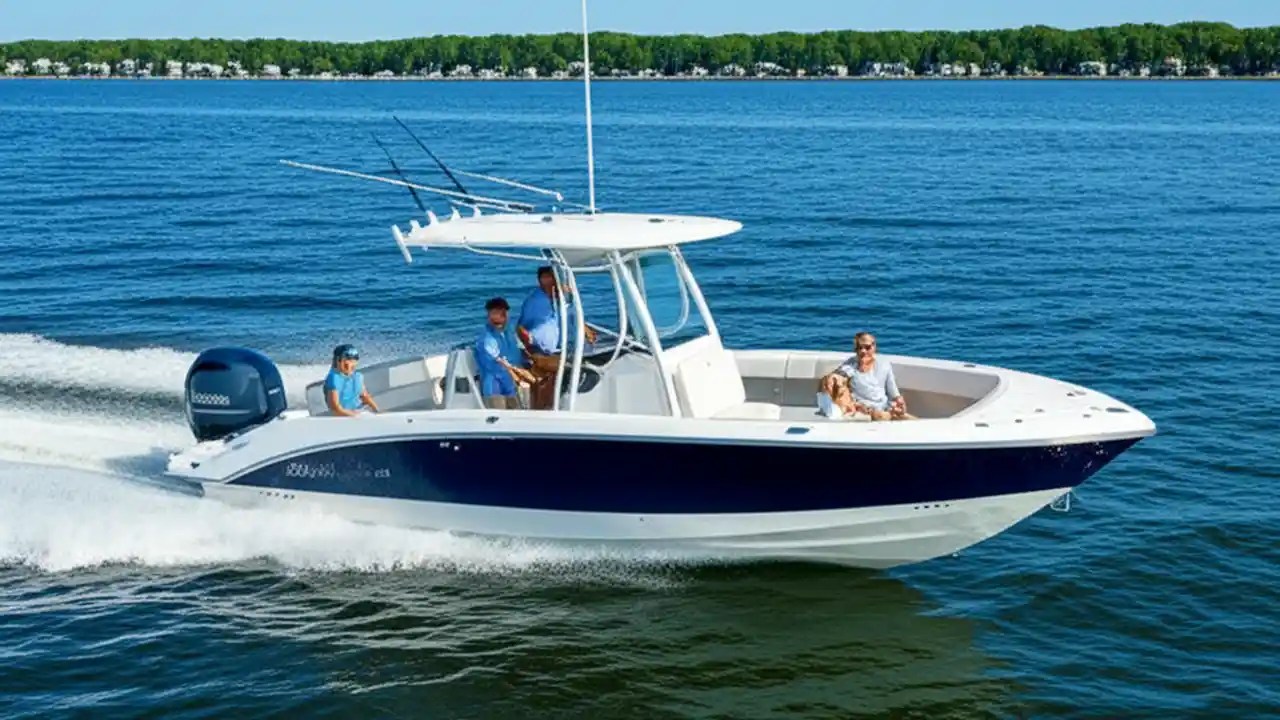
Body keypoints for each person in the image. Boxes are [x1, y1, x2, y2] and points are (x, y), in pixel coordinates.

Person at [516, 265, 596, 409]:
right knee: (558, 370)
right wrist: (528, 346)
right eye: (544, 277)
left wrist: (585, 329)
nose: (547, 280)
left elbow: (571, 317)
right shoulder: (534, 301)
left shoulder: (561, 298)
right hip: (539, 350)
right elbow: (520, 327)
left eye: (550, 277)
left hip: (561, 349)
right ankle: (543, 408)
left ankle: (553, 402)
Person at [818, 332, 911, 421]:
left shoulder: (884, 364)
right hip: (865, 410)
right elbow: (841, 374)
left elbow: (893, 392)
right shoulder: (852, 365)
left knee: (909, 419)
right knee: (881, 416)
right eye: (859, 348)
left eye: (867, 347)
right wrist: (833, 378)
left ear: (874, 347)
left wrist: (899, 402)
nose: (863, 351)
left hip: (885, 409)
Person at [475, 297, 536, 409]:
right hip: (495, 386)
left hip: (512, 385)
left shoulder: (510, 333)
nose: (498, 319)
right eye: (494, 314)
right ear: (488, 316)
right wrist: (522, 375)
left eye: (502, 314)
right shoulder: (487, 339)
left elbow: (520, 353)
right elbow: (499, 361)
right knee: (499, 418)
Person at [325, 344, 379, 417]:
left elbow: (365, 396)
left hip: (359, 411)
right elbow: (335, 407)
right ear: (338, 361)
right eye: (347, 362)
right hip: (342, 416)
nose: (350, 365)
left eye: (353, 361)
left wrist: (377, 411)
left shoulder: (357, 376)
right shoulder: (334, 378)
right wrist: (354, 416)